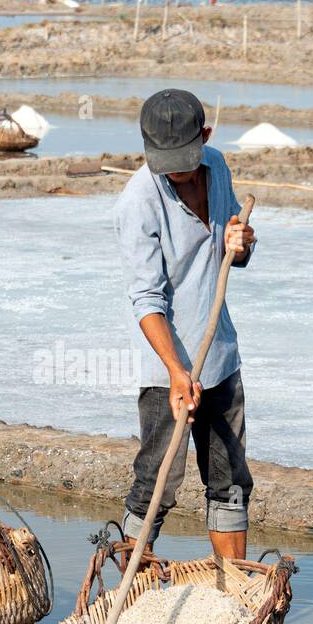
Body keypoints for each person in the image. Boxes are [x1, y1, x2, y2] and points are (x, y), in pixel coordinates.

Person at [112, 88, 256, 561]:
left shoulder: (217, 167)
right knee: (157, 481)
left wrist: (242, 243)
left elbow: (230, 254)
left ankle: (235, 602)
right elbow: (146, 298)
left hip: (219, 358)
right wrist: (176, 371)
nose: (176, 170)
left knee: (230, 479)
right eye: (165, 160)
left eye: (184, 158)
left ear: (205, 137)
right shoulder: (138, 200)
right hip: (166, 369)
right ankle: (134, 597)